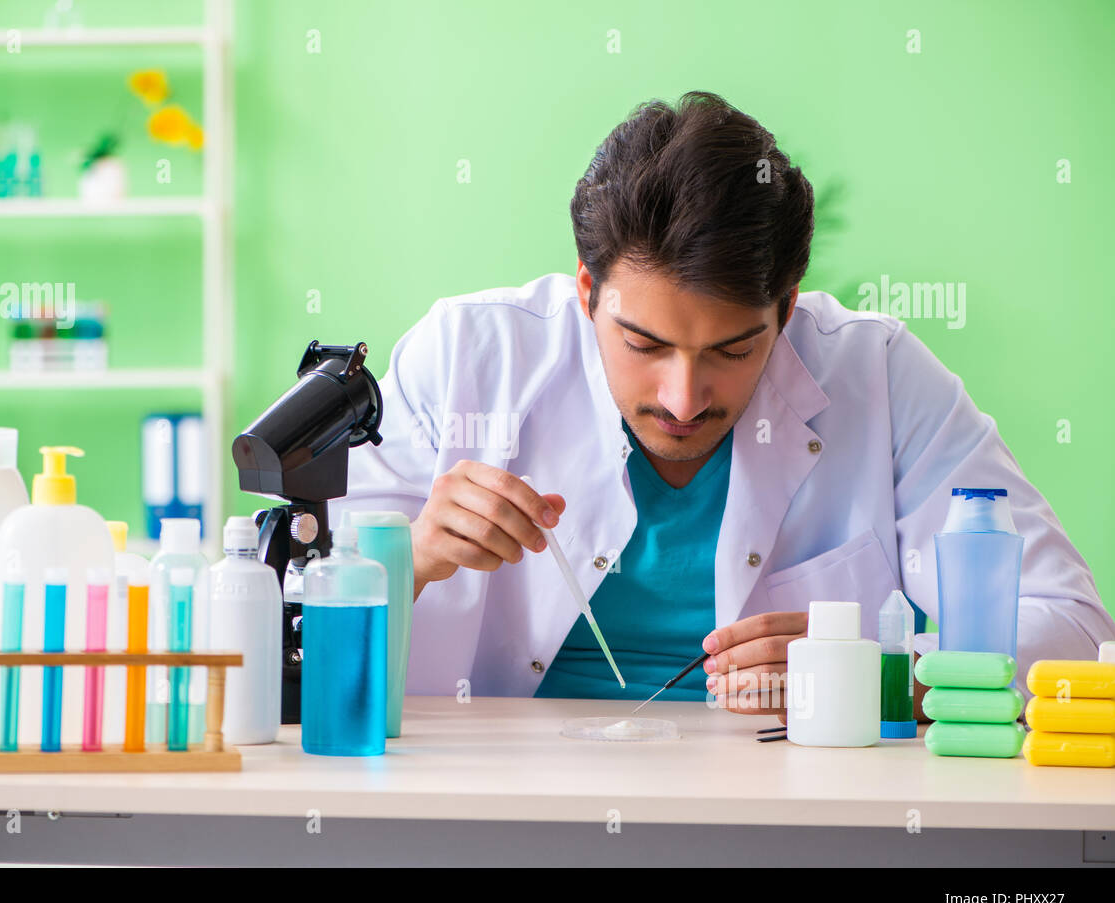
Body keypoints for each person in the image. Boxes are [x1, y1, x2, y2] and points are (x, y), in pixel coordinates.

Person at [333, 91, 1114, 715]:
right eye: (643, 344)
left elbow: (1076, 631)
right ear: (585, 290)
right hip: (510, 812)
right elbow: (299, 622)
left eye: (734, 350)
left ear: (787, 306)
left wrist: (881, 675)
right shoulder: (468, 357)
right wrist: (413, 555)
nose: (682, 398)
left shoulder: (876, 371)